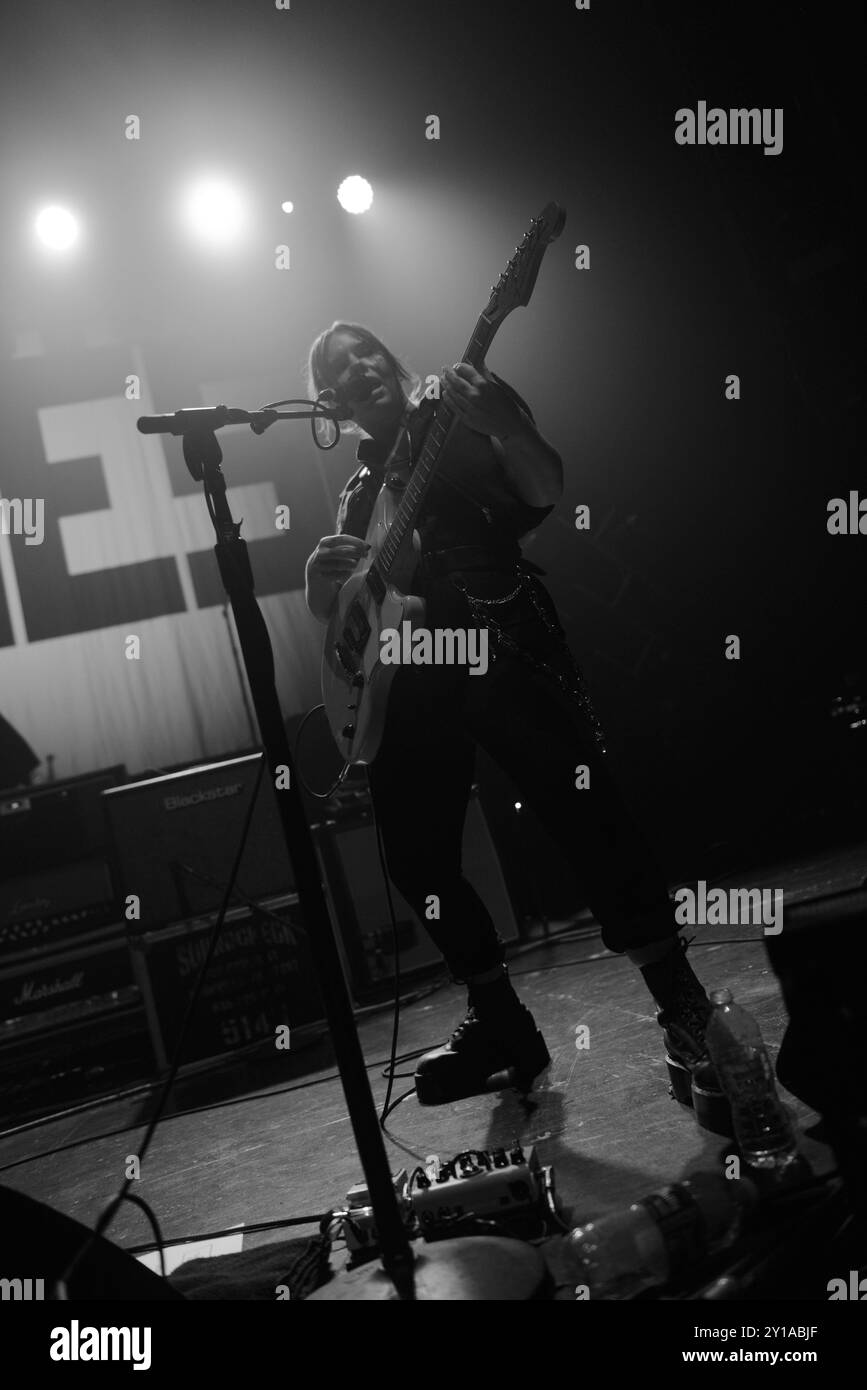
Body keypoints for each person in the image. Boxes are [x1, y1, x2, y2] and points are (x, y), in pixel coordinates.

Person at [304, 321, 718, 1109]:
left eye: (366, 352)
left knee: (585, 815)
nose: (358, 367)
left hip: (494, 637)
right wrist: (313, 581)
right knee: (417, 861)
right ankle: (500, 1021)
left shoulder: (456, 413)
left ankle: (680, 1002)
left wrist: (506, 424)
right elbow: (344, 610)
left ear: (391, 365)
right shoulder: (356, 492)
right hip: (411, 677)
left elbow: (544, 487)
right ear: (331, 400)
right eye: (337, 367)